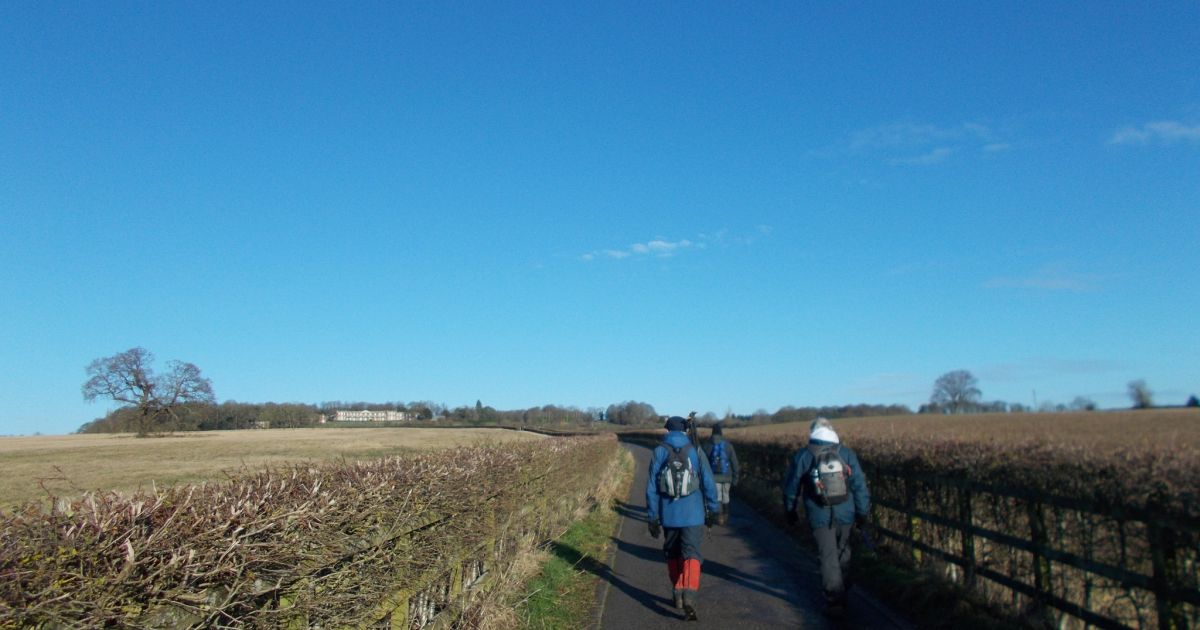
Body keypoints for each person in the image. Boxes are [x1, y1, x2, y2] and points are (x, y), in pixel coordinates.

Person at [781, 417, 871, 616]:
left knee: (828, 556)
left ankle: (835, 601)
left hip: (819, 514)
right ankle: (842, 590)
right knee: (843, 552)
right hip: (846, 513)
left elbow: (791, 487)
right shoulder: (846, 454)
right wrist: (862, 512)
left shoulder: (804, 455)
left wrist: (790, 510)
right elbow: (859, 486)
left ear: (812, 432)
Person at [646, 415, 721, 620]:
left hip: (669, 515)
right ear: (685, 430)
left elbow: (651, 488)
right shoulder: (695, 450)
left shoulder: (659, 451)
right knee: (692, 554)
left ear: (668, 430)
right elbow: (708, 482)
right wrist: (713, 509)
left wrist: (652, 517)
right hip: (693, 514)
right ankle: (688, 592)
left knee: (672, 553)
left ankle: (677, 593)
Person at [701, 423, 739, 525]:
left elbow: (703, 463)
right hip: (727, 477)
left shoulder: (707, 445)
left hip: (713, 478)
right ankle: (725, 516)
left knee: (716, 497)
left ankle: (718, 517)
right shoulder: (728, 445)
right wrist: (735, 479)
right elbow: (734, 463)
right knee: (726, 496)